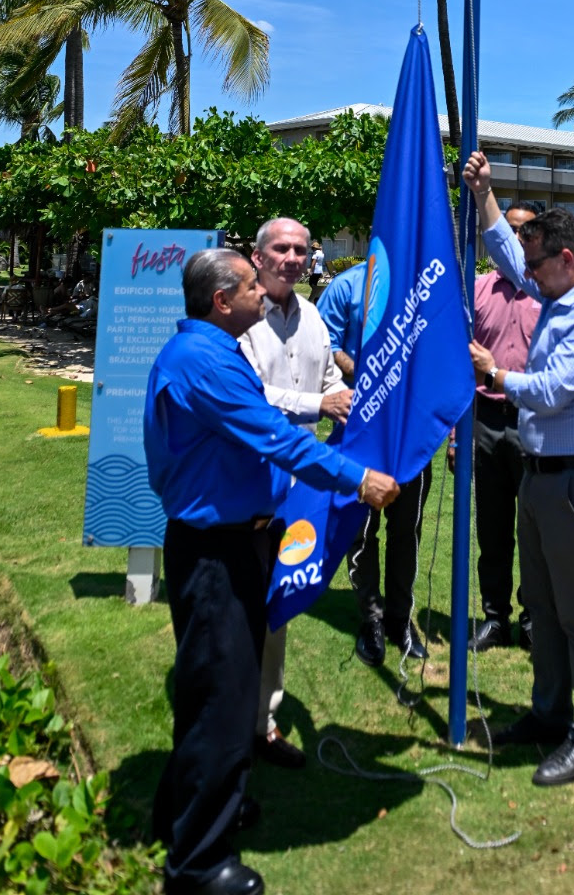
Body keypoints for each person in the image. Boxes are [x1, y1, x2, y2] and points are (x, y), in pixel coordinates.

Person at [145, 247, 398, 895]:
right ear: (222, 299)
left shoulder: (211, 348)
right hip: (214, 552)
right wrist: (357, 478)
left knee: (215, 690)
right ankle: (198, 863)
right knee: (224, 701)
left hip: (232, 543)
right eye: (253, 284)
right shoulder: (204, 360)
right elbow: (275, 437)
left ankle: (189, 809)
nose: (266, 291)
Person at [463, 150, 574, 788]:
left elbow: (553, 390)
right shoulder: (557, 293)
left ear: (566, 260)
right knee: (547, 608)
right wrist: (485, 196)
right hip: (542, 478)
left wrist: (495, 374)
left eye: (537, 265)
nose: (524, 276)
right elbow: (506, 252)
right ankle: (548, 713)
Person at [239, 218, 352, 770]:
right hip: (245, 483)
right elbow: (246, 395)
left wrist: (347, 395)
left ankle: (263, 723)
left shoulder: (312, 316)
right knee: (240, 606)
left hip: (298, 484)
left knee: (278, 604)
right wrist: (317, 406)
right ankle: (230, 720)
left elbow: (327, 376)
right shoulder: (236, 316)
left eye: (300, 250)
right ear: (257, 257)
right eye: (280, 248)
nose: (291, 257)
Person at [316, 260, 430, 666]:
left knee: (407, 530)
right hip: (359, 431)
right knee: (360, 531)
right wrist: (368, 373)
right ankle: (372, 617)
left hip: (408, 433)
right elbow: (325, 347)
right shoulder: (345, 288)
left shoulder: (420, 289)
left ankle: (401, 619)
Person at [470, 201, 540, 652]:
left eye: (524, 232)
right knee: (492, 529)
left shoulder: (545, 290)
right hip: (486, 422)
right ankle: (495, 617)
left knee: (534, 529)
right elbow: (462, 363)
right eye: (508, 230)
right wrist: (460, 437)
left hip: (535, 423)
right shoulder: (476, 290)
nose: (515, 238)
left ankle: (534, 617)